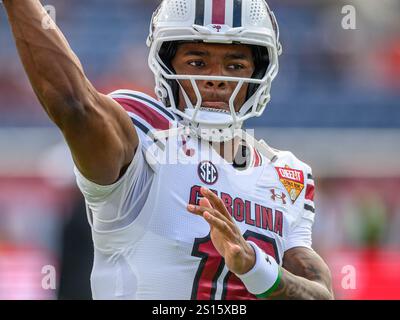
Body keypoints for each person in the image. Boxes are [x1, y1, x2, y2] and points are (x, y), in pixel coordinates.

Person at [3, 0, 333, 300]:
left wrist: (254, 268)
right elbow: (75, 104)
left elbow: (320, 295)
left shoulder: (287, 172)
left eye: (234, 66)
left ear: (258, 72)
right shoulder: (144, 133)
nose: (215, 79)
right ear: (167, 65)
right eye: (197, 62)